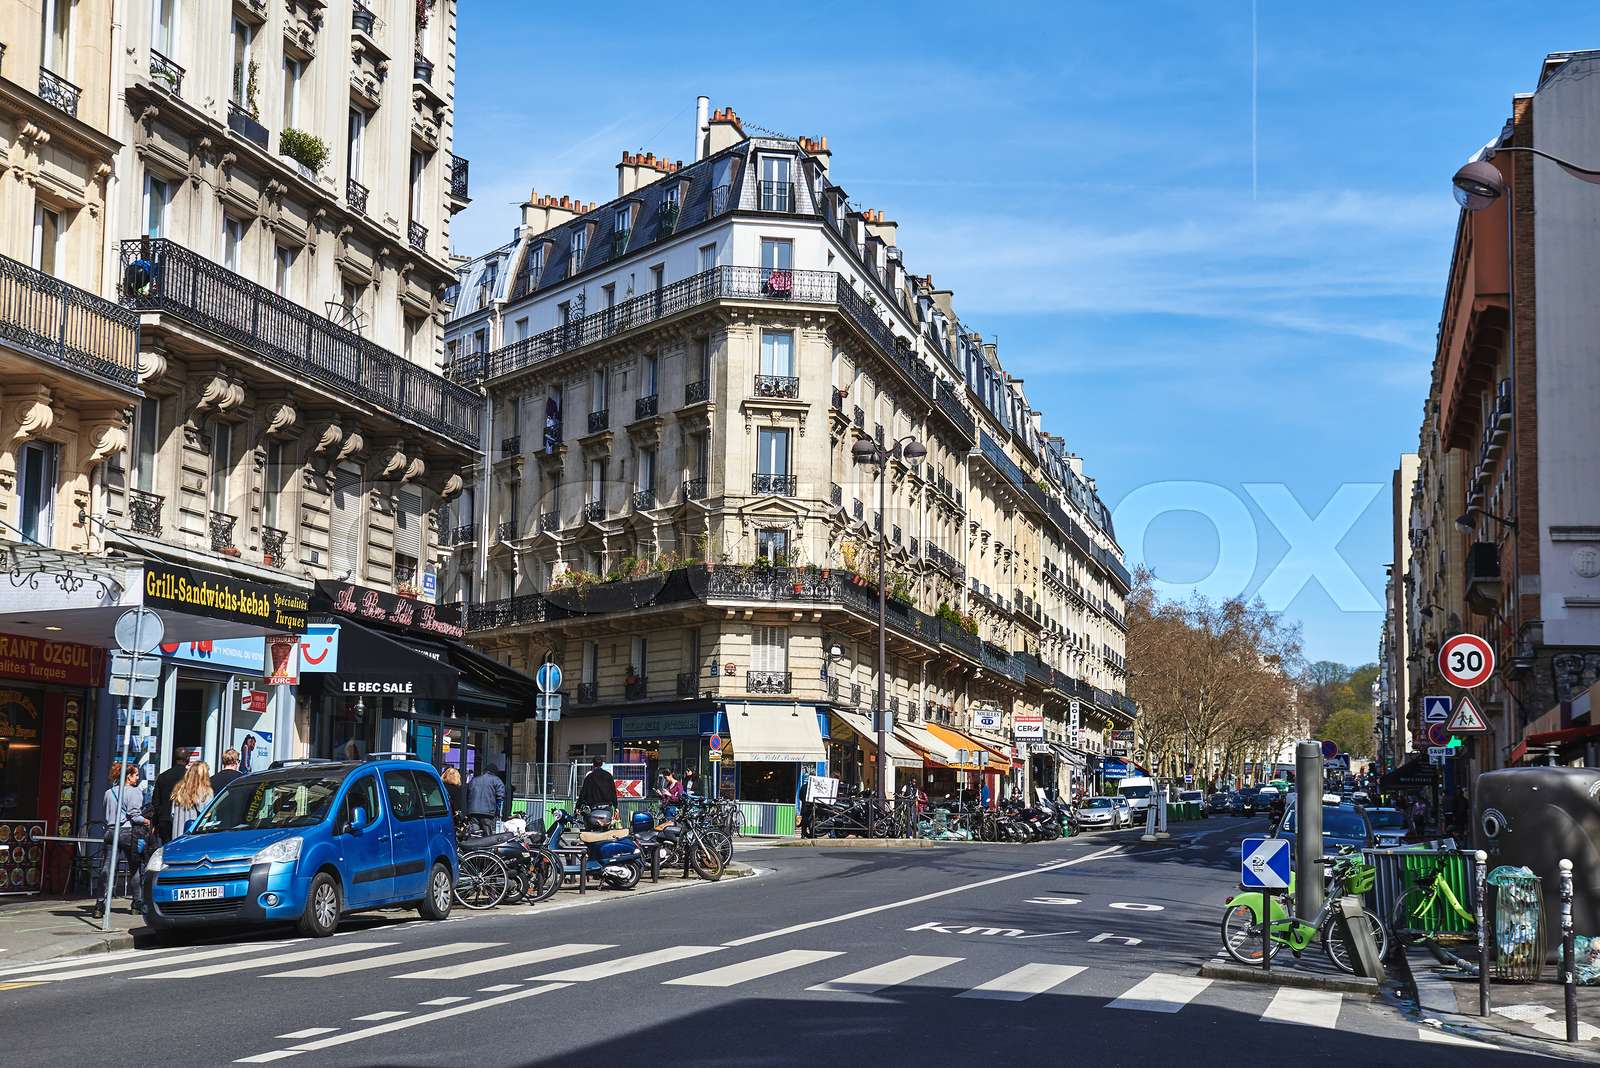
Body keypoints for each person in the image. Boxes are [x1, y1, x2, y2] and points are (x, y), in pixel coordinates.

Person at [95, 764, 147, 917]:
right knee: (134, 868)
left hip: (111, 831)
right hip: (128, 832)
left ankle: (100, 904)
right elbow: (134, 816)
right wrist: (147, 821)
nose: (138, 778)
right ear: (128, 776)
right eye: (136, 775)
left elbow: (106, 813)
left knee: (107, 868)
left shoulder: (108, 792)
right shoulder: (134, 792)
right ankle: (137, 902)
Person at [153, 747, 192, 843]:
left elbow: (155, 801)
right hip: (183, 819)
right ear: (187, 759)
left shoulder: (163, 776)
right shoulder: (190, 777)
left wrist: (159, 816)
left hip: (165, 819)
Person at [170, 761, 214, 837]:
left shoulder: (179, 790)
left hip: (177, 836)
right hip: (193, 837)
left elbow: (172, 814)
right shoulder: (206, 793)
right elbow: (207, 817)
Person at [462, 764, 505, 837]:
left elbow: (467, 795)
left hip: (473, 812)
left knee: (474, 833)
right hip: (488, 813)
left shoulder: (474, 780)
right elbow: (500, 797)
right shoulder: (497, 780)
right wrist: (498, 812)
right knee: (488, 836)